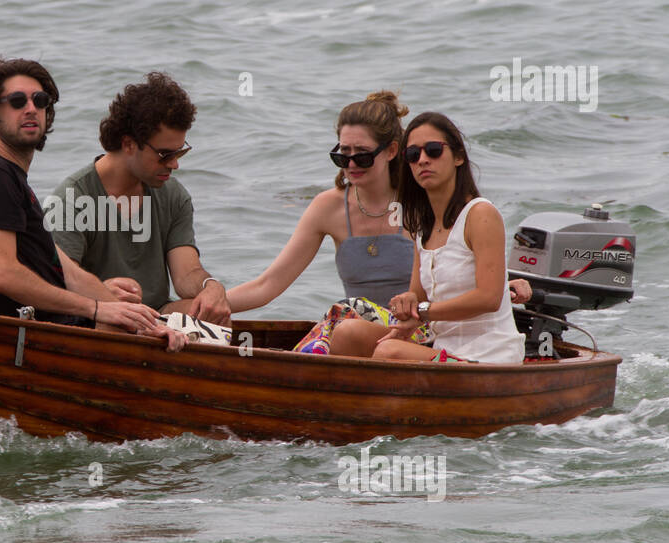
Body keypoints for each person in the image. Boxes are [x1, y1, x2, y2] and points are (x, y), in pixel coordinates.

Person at [0, 58, 185, 350]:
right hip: (4, 346)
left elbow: (66, 270)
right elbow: (2, 275)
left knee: (133, 321)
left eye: (40, 100)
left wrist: (137, 317)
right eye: (17, 101)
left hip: (39, 336)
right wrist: (96, 309)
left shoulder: (11, 179)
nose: (31, 108)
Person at [331, 112, 527, 364]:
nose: (422, 160)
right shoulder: (422, 226)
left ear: (457, 157)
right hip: (442, 348)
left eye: (433, 150)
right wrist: (406, 305)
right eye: (413, 155)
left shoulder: (480, 214)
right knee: (348, 332)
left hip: (488, 357)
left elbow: (489, 298)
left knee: (389, 352)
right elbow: (417, 297)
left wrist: (423, 312)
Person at [48, 72, 231, 323]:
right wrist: (103, 294)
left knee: (214, 318)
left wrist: (211, 287)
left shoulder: (174, 196)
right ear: (129, 144)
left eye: (181, 152)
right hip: (97, 319)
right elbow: (58, 284)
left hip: (156, 315)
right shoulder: (71, 199)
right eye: (165, 154)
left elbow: (186, 274)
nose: (175, 164)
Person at [227, 91, 413, 319]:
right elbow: (267, 286)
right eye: (343, 155)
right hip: (355, 329)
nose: (351, 164)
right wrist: (204, 304)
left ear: (391, 151)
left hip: (413, 330)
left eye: (362, 155)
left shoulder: (420, 203)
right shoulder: (328, 206)